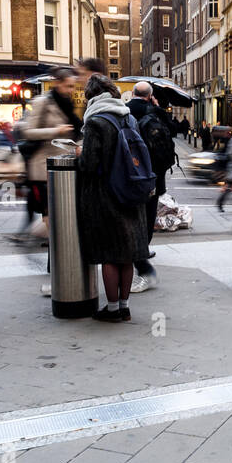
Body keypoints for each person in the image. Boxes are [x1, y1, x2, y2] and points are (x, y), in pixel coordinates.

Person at [78, 76, 152, 321]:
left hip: (106, 196)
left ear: (92, 97)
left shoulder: (96, 122)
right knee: (127, 254)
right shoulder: (128, 116)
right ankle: (125, 306)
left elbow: (89, 164)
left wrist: (79, 153)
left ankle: (111, 310)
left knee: (110, 255)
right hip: (132, 192)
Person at [16, 66, 81, 244]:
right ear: (57, 83)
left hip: (62, 165)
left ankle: (57, 245)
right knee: (49, 210)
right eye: (68, 86)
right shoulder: (42, 102)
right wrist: (56, 130)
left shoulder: (68, 104)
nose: (71, 90)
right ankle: (57, 248)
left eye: (73, 86)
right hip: (42, 166)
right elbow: (28, 131)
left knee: (60, 209)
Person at [126, 80, 177, 292]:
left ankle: (134, 251)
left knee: (132, 213)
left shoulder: (125, 110)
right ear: (150, 95)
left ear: (133, 93)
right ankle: (143, 248)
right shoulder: (156, 111)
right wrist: (158, 107)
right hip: (154, 175)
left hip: (132, 172)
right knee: (148, 214)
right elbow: (173, 131)